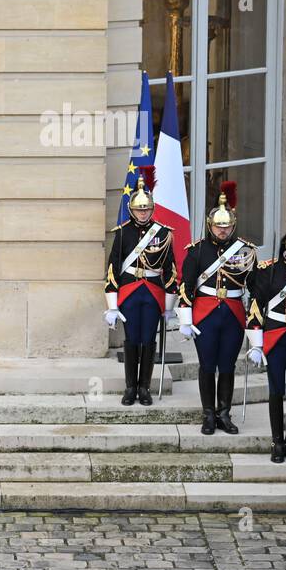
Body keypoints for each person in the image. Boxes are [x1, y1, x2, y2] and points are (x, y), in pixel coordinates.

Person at [178, 184, 256, 435]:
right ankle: (208, 414)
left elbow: (254, 288)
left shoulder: (246, 251)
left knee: (228, 365)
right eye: (218, 226)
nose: (222, 231)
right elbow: (186, 286)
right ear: (210, 225)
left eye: (227, 227)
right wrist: (186, 319)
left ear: (233, 226)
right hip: (205, 314)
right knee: (207, 365)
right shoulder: (198, 250)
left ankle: (224, 413)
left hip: (233, 314)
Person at [104, 172, 178, 406]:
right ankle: (130, 387)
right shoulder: (123, 232)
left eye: (146, 209)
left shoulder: (164, 233)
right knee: (131, 339)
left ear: (152, 209)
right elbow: (113, 268)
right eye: (139, 210)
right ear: (132, 210)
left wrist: (169, 307)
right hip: (129, 292)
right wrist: (112, 305)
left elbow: (171, 270)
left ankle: (144, 387)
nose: (143, 213)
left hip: (153, 292)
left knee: (148, 339)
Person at [246, 228, 286, 464]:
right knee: (277, 389)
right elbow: (256, 307)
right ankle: (277, 441)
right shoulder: (269, 270)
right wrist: (256, 343)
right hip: (275, 336)